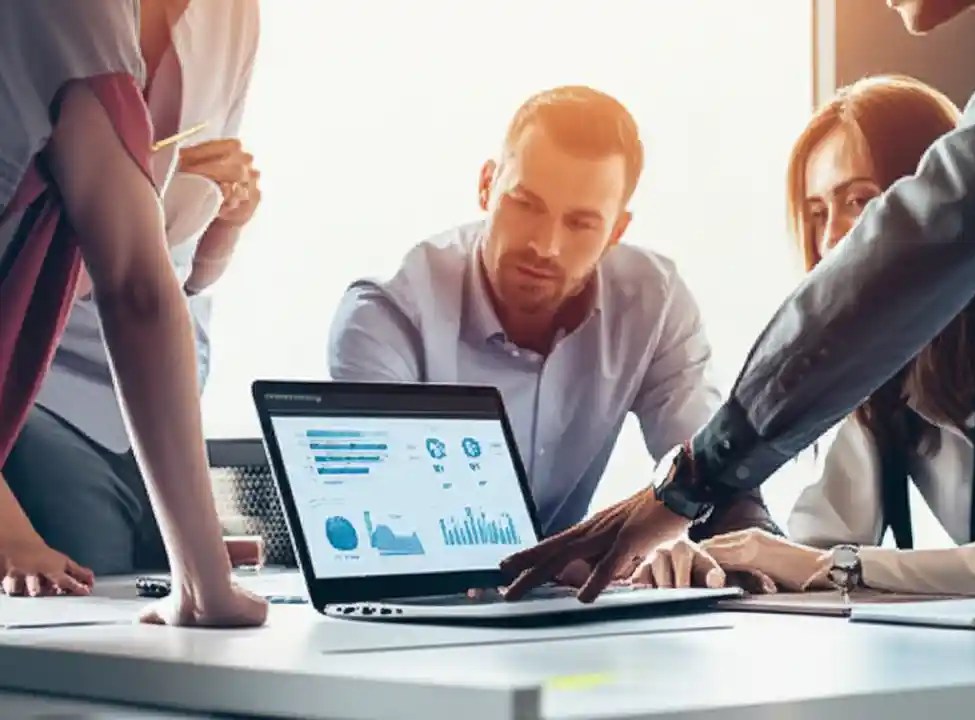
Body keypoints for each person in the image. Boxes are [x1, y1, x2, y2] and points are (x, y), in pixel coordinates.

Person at [500, 0, 975, 604]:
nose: (838, 241)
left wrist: (693, 481)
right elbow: (805, 540)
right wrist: (712, 559)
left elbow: (941, 226)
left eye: (866, 204)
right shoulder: (889, 378)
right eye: (815, 213)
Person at [328, 86, 762, 539]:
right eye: (526, 205)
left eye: (580, 223)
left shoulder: (654, 301)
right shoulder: (386, 318)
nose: (544, 246)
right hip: (432, 601)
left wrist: (663, 547)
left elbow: (709, 478)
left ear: (616, 229)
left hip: (565, 595)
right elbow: (387, 524)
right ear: (486, 185)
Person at [0, 0, 265, 627]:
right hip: (43, 396)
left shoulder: (233, 19)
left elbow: (161, 274)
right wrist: (203, 583)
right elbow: (135, 284)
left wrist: (191, 551)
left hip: (113, 398)